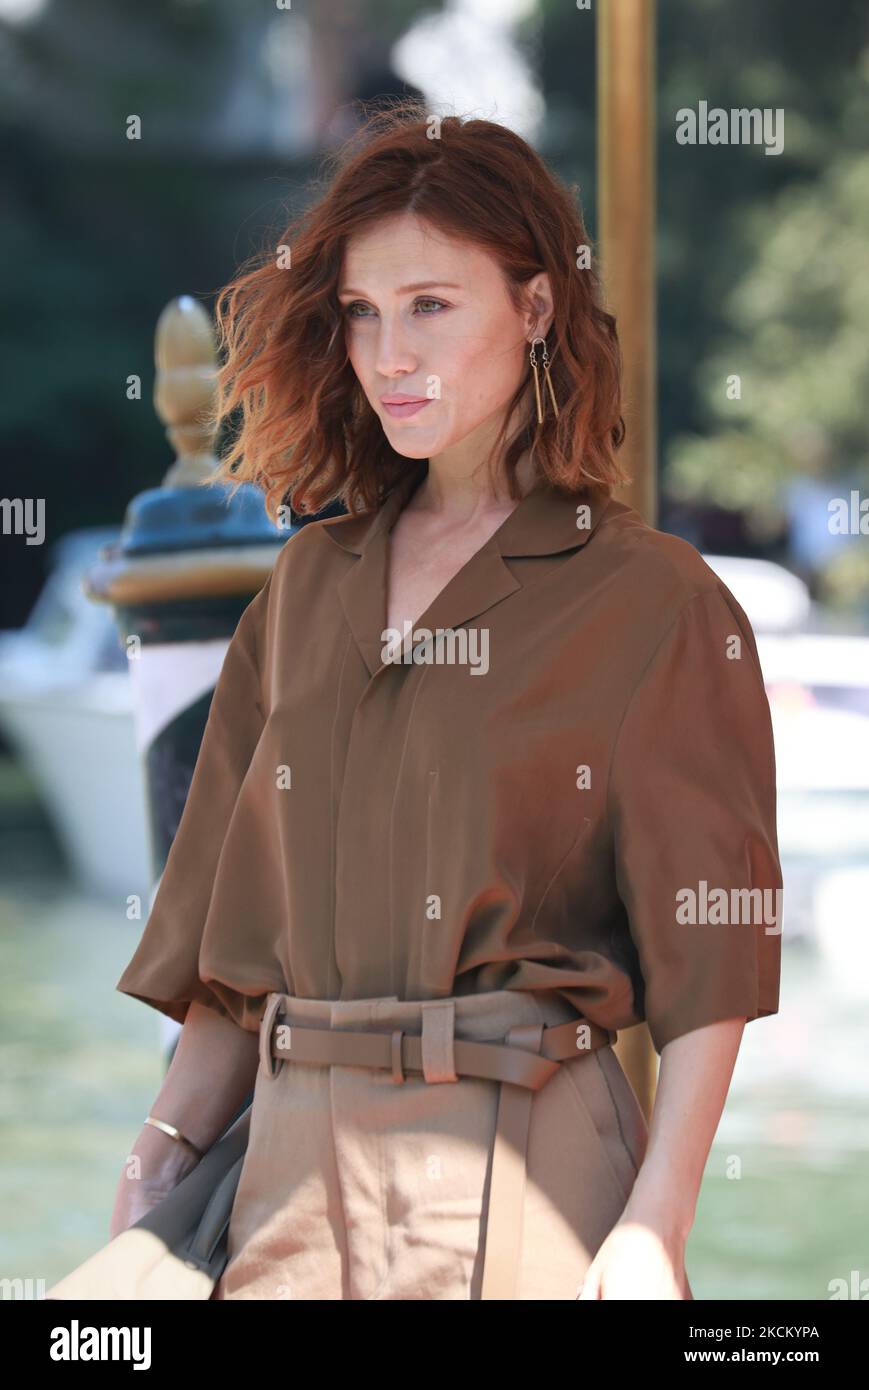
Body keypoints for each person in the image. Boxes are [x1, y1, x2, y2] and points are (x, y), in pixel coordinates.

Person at [111, 102, 782, 1301]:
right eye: (362, 315)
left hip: (519, 1172)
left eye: (430, 305)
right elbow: (230, 945)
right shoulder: (308, 585)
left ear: (534, 307)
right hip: (282, 1176)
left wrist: (653, 1226)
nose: (385, 355)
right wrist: (162, 1146)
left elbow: (709, 969)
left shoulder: (654, 602)